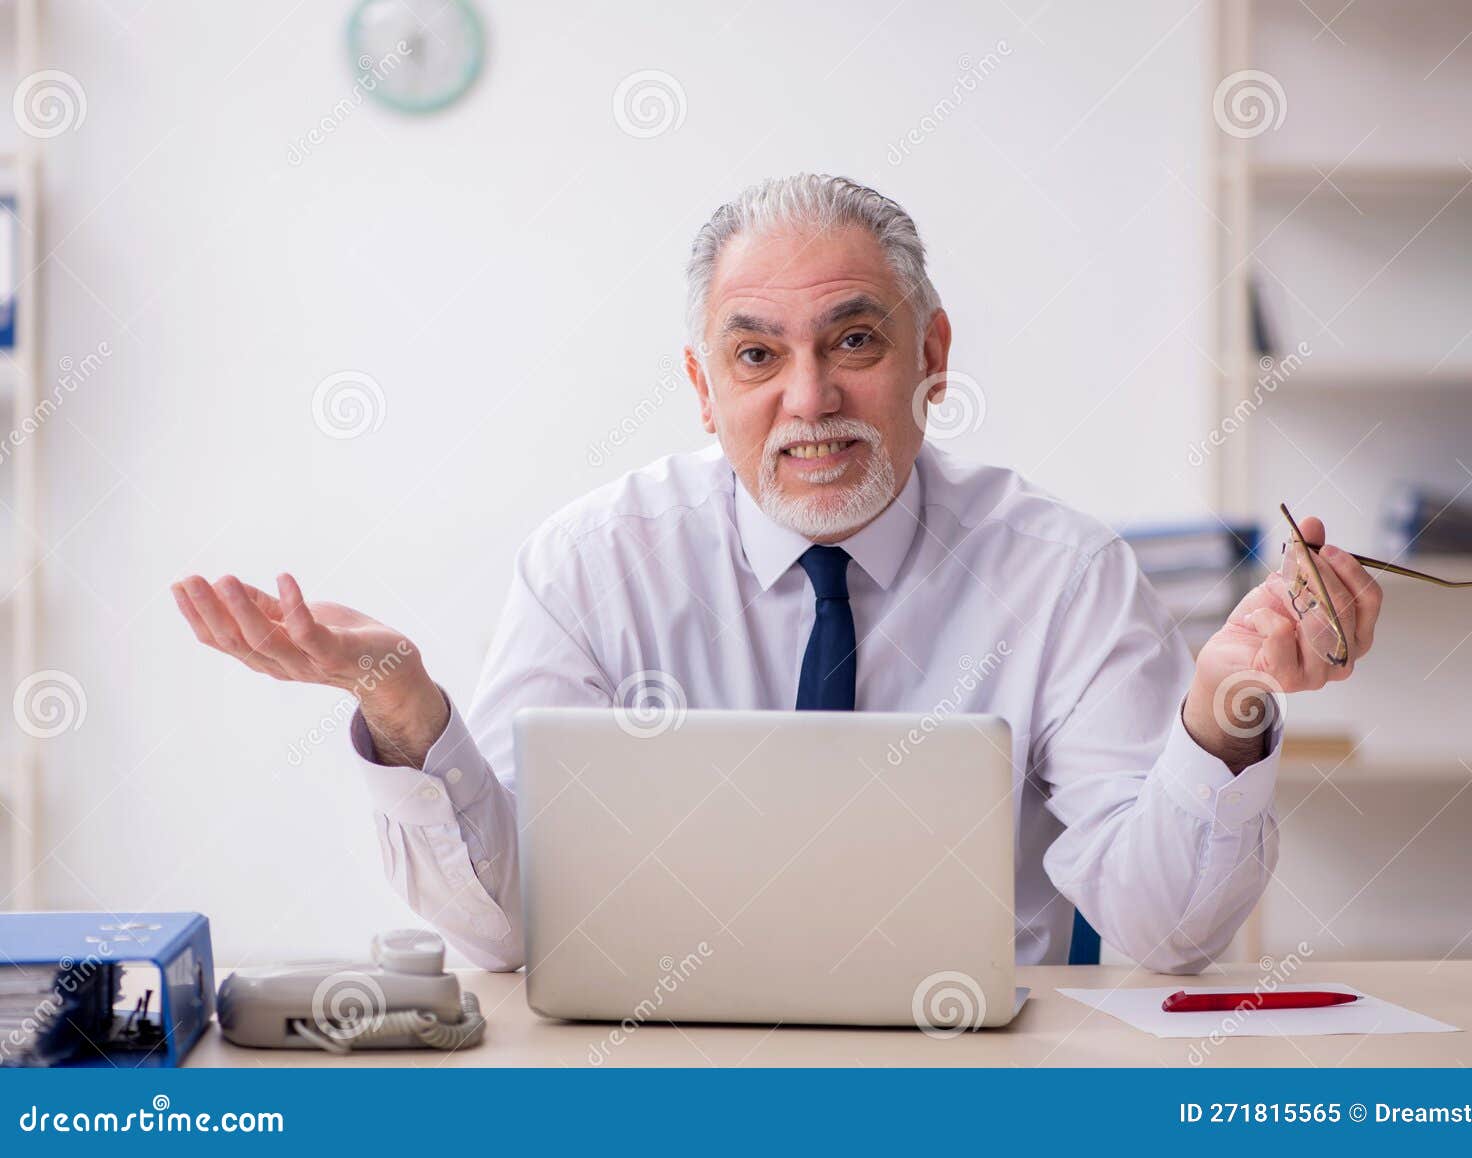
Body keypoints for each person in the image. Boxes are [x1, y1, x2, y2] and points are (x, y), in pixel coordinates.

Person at [172, 174, 1381, 973]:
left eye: (853, 340)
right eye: (757, 355)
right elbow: (502, 927)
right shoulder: (595, 563)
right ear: (705, 390)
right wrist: (402, 709)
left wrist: (1224, 707)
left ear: (932, 355)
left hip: (976, 1082)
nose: (808, 400)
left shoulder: (1064, 574)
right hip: (664, 1075)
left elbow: (1165, 932)